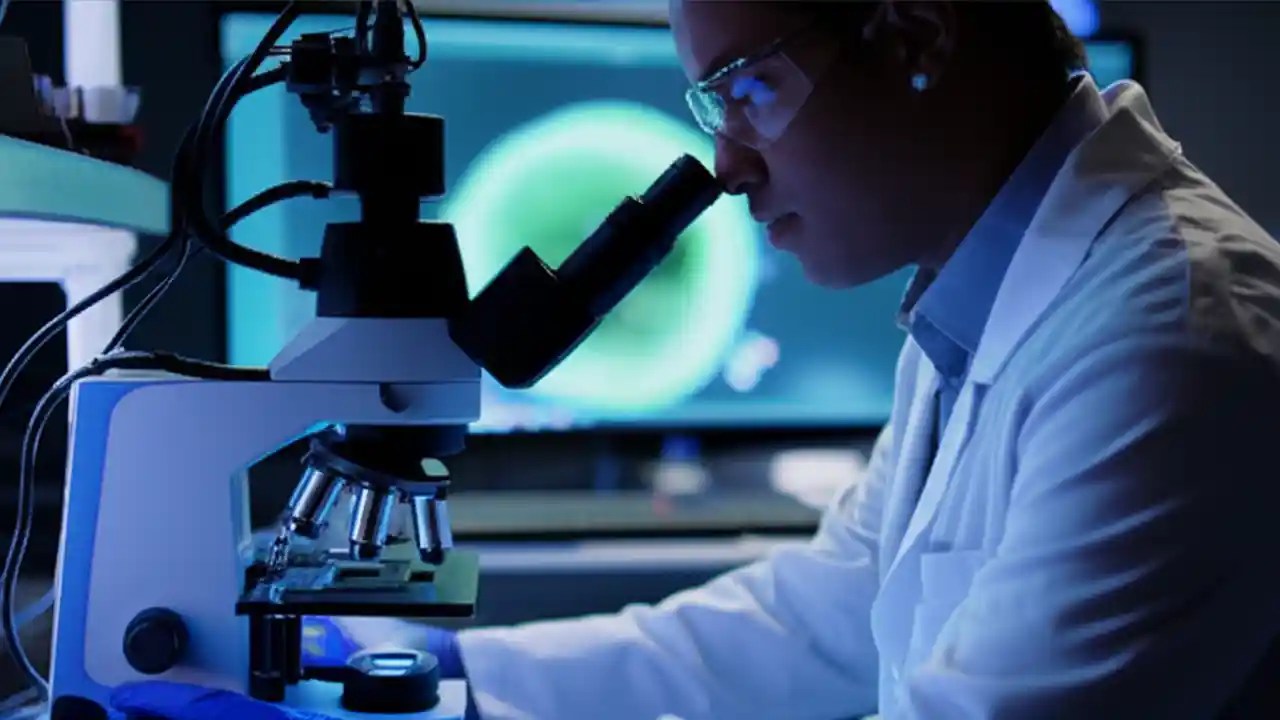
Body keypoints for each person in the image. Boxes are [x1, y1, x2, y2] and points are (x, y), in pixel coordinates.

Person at [111, 1, 1280, 718]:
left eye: (750, 91)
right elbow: (824, 615)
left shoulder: (1164, 345)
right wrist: (447, 681)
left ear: (916, 31)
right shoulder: (983, 290)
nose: (726, 166)